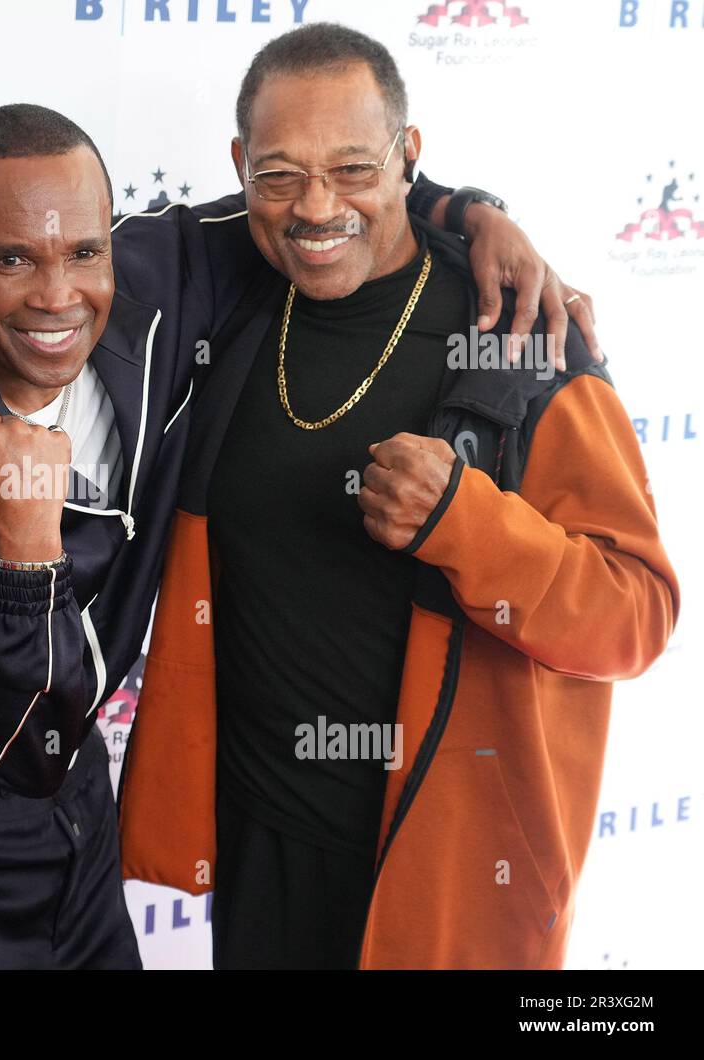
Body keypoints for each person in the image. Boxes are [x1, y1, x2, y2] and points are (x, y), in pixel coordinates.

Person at [0, 100, 589, 969]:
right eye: (13, 259)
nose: (58, 296)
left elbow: (308, 203)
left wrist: (477, 214)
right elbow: (9, 745)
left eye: (85, 253)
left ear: (114, 238)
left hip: (75, 805)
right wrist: (27, 539)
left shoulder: (157, 275)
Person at [116, 23, 679, 970]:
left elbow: (639, 613)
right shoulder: (237, 297)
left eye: (353, 168)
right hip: (260, 851)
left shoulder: (524, 339)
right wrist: (472, 204)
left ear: (407, 157)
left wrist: (467, 523)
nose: (315, 207)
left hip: (444, 878)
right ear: (240, 167)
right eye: (280, 174)